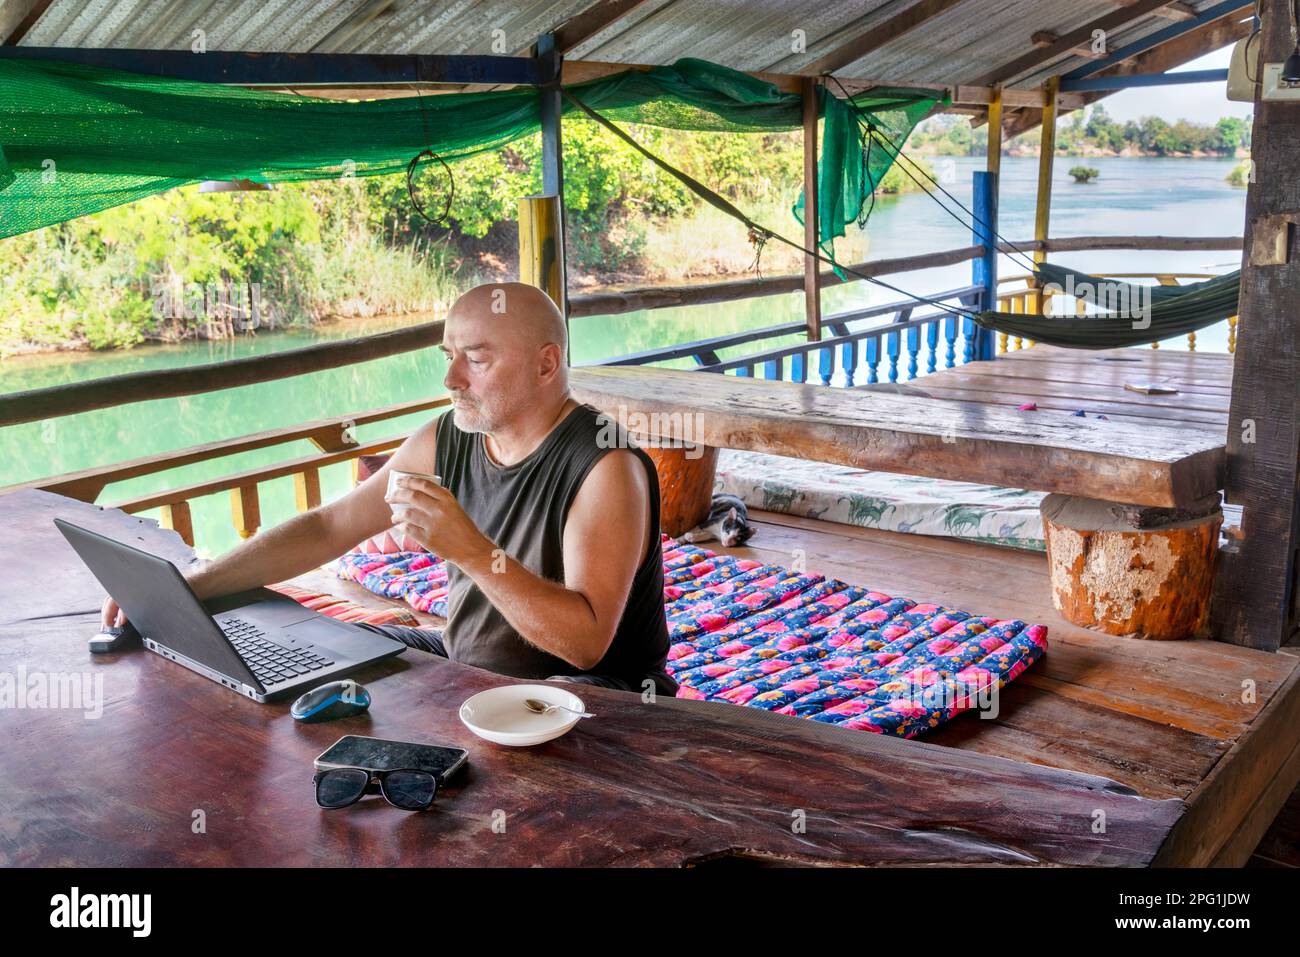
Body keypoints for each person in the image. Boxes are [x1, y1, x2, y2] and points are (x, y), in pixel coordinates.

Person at [101, 282, 677, 696]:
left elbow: (586, 644)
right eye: (450, 357)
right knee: (318, 654)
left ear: (547, 365)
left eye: (475, 360)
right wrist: (192, 586)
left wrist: (471, 551)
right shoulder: (446, 439)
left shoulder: (604, 467)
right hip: (469, 660)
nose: (451, 379)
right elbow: (331, 526)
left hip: (592, 693)